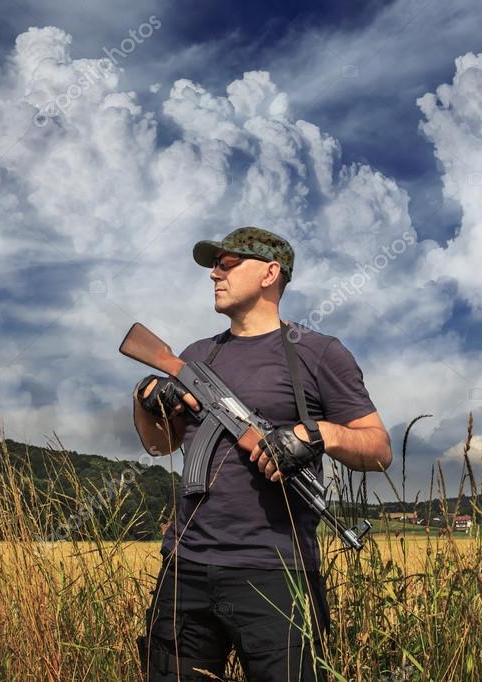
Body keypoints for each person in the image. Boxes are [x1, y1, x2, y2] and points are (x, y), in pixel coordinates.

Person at [131, 226, 392, 681]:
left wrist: (316, 435)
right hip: (185, 568)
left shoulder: (318, 353)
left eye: (228, 263)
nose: (214, 273)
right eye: (214, 265)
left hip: (275, 573)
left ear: (270, 273)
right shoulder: (197, 356)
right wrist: (146, 396)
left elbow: (379, 448)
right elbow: (159, 445)